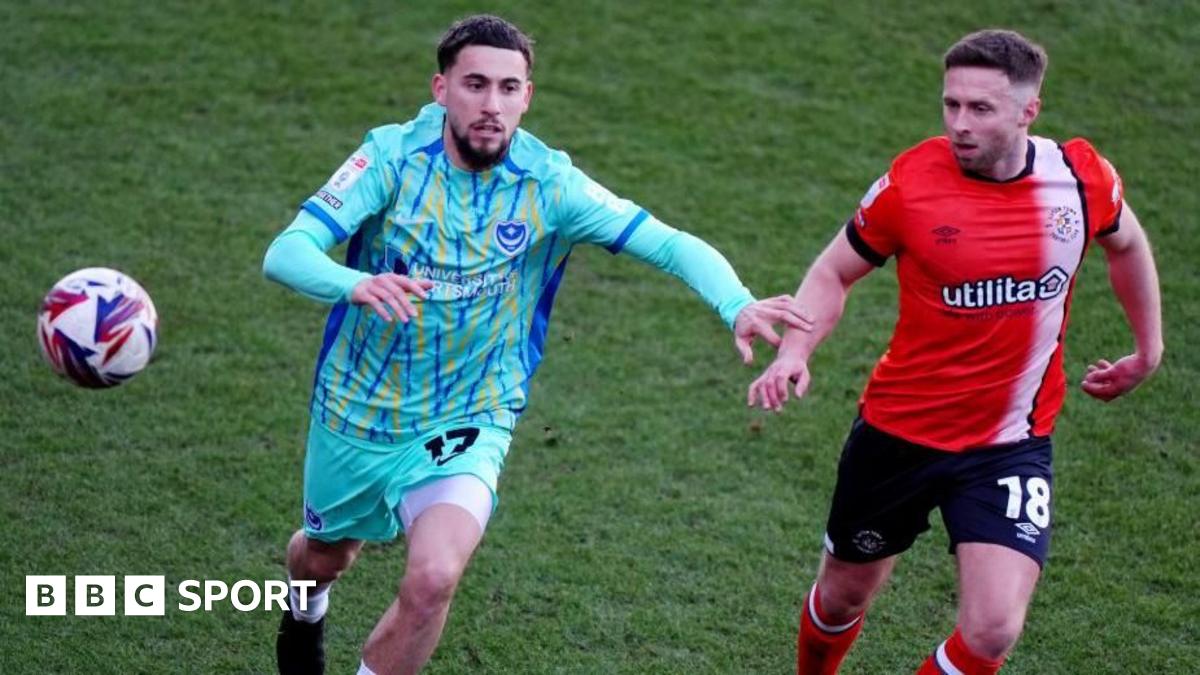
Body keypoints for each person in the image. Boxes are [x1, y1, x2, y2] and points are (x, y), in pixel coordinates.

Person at [263, 14, 810, 675]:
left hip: (473, 411)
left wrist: (736, 302)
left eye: (508, 87)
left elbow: (667, 241)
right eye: (474, 85)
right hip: (358, 409)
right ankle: (305, 609)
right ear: (441, 89)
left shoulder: (550, 183)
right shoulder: (389, 160)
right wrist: (355, 283)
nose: (491, 105)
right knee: (325, 555)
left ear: (528, 96)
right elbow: (285, 252)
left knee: (434, 576)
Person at [748, 29, 1163, 674]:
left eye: (980, 109)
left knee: (993, 630)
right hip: (899, 432)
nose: (959, 125)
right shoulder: (912, 183)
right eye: (951, 105)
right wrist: (795, 350)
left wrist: (1149, 349)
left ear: (1029, 110)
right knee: (841, 596)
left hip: (1011, 442)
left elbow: (1128, 244)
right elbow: (834, 271)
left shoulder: (1081, 180)